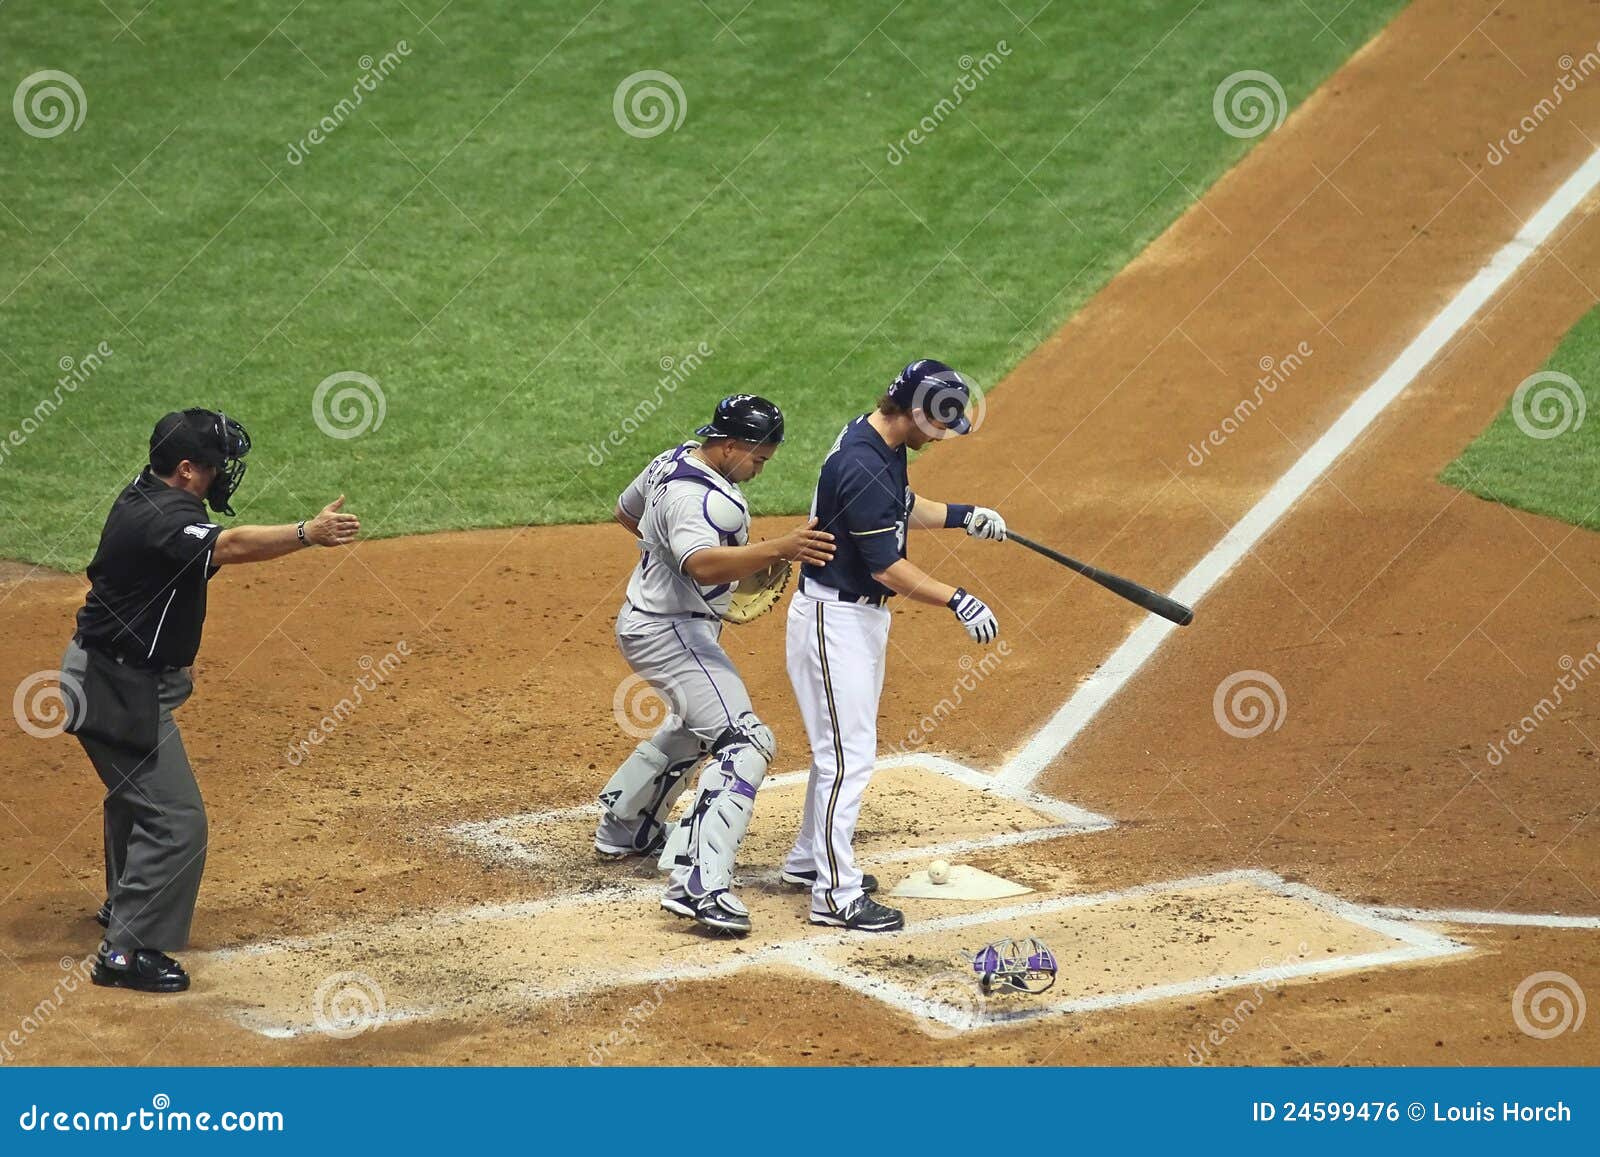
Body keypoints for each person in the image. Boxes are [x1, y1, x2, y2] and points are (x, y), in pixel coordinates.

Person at [64, 409, 360, 992]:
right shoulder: (164, 517)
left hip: (105, 672)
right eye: (214, 465)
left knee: (135, 797)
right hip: (115, 687)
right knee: (177, 821)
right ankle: (126, 952)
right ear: (184, 470)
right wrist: (308, 533)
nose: (222, 474)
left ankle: (126, 900)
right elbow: (233, 545)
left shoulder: (150, 494)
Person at [593, 395, 833, 935]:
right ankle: (698, 884)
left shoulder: (670, 459)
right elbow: (701, 565)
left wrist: (667, 559)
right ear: (731, 446)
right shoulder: (707, 501)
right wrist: (781, 548)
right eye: (759, 459)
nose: (759, 469)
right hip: (671, 633)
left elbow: (626, 513)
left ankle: (626, 825)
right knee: (746, 741)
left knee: (697, 724)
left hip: (649, 620)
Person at [781, 360, 1007, 932]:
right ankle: (834, 895)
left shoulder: (878, 439)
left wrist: (964, 516)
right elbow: (888, 569)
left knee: (838, 748)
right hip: (836, 622)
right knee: (847, 756)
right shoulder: (862, 464)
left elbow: (900, 505)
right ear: (910, 412)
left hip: (849, 620)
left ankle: (811, 860)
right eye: (936, 425)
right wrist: (957, 598)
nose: (939, 437)